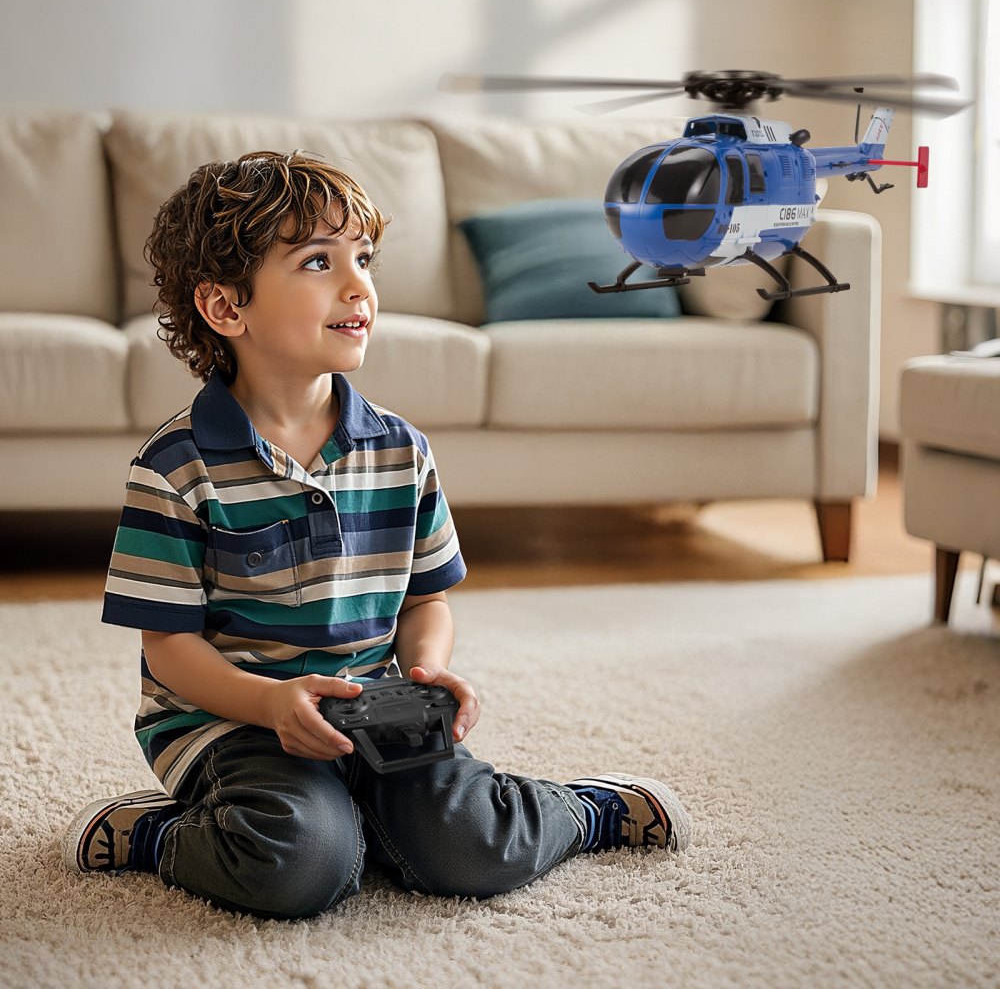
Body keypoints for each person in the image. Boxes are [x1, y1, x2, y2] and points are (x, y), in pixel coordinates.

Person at [62, 150, 691, 919]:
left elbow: (429, 600)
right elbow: (169, 650)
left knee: (473, 847)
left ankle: (584, 809)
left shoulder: (401, 451)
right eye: (318, 262)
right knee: (298, 871)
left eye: (363, 258)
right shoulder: (175, 467)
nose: (358, 285)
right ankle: (163, 836)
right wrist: (272, 705)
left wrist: (427, 672)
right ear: (226, 308)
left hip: (374, 707)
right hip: (232, 720)